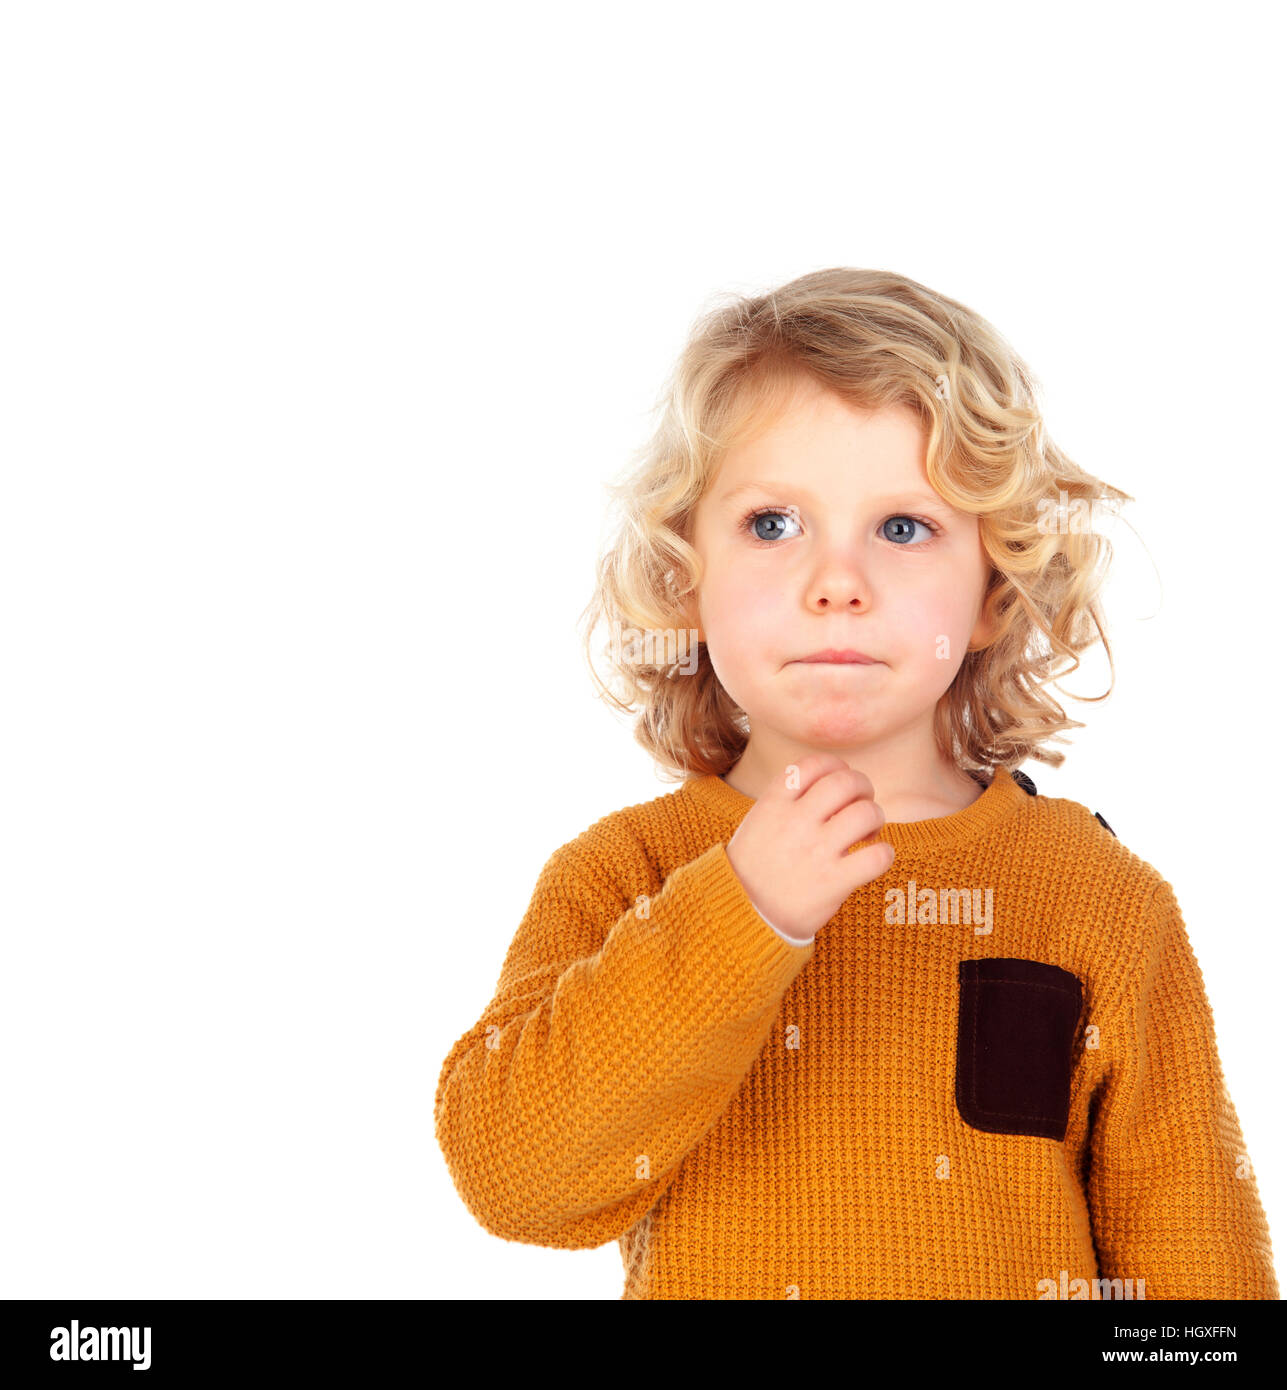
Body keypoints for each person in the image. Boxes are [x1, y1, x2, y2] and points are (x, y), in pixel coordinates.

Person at [434, 267, 1278, 1300]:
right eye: (773, 524)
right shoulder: (629, 874)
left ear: (990, 594)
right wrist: (741, 915)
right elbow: (515, 1182)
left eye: (904, 527)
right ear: (685, 576)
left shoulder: (1101, 900)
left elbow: (1200, 1277)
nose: (837, 581)